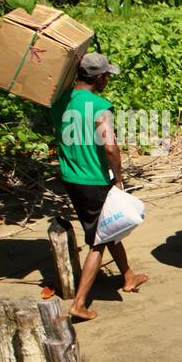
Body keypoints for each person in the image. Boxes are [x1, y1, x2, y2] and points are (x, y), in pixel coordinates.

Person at [50, 52, 149, 321]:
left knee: (107, 226)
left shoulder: (60, 101)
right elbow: (109, 146)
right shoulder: (99, 106)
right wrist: (117, 177)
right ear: (100, 77)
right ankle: (79, 303)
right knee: (98, 239)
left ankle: (128, 276)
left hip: (71, 177)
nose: (108, 80)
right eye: (107, 76)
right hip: (93, 180)